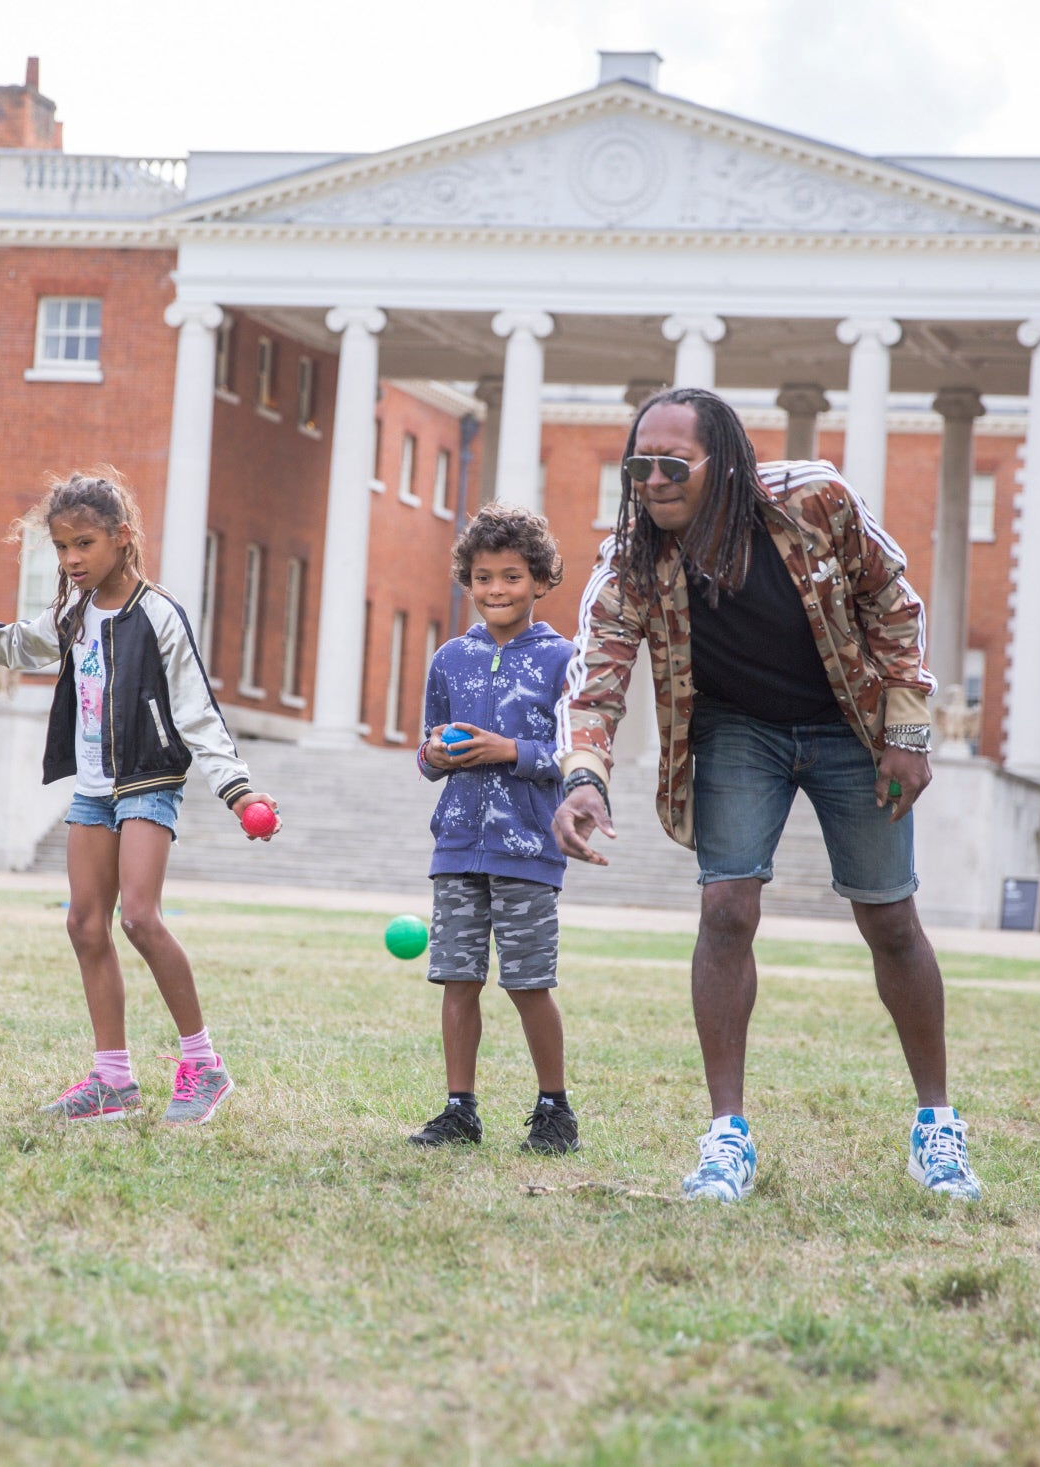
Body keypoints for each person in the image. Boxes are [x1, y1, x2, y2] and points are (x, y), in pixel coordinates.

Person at [552, 387, 981, 1205]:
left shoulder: (816, 500)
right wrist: (582, 777)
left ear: (727, 463)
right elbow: (595, 678)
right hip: (735, 730)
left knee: (890, 920)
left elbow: (894, 603)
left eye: (672, 464)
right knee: (725, 911)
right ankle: (727, 1136)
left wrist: (910, 732)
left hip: (847, 723)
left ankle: (937, 1125)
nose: (652, 481)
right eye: (638, 465)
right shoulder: (634, 556)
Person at [0, 469, 274, 1126]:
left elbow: (197, 711)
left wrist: (237, 789)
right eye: (62, 548)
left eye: (84, 544)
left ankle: (203, 1063)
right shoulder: (72, 612)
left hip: (148, 779)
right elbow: (18, 644)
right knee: (83, 923)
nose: (73, 559)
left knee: (139, 917)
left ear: (120, 538)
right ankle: (113, 1079)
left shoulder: (158, 614)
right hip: (93, 788)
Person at [408, 504, 580, 1156]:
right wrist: (437, 754)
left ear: (540, 579)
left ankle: (553, 1106)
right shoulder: (451, 658)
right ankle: (460, 1109)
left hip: (529, 849)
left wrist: (511, 751)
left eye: (512, 576)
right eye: (484, 577)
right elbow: (426, 752)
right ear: (468, 582)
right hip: (456, 847)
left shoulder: (565, 660)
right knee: (457, 976)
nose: (497, 589)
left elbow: (576, 755)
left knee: (527, 981)